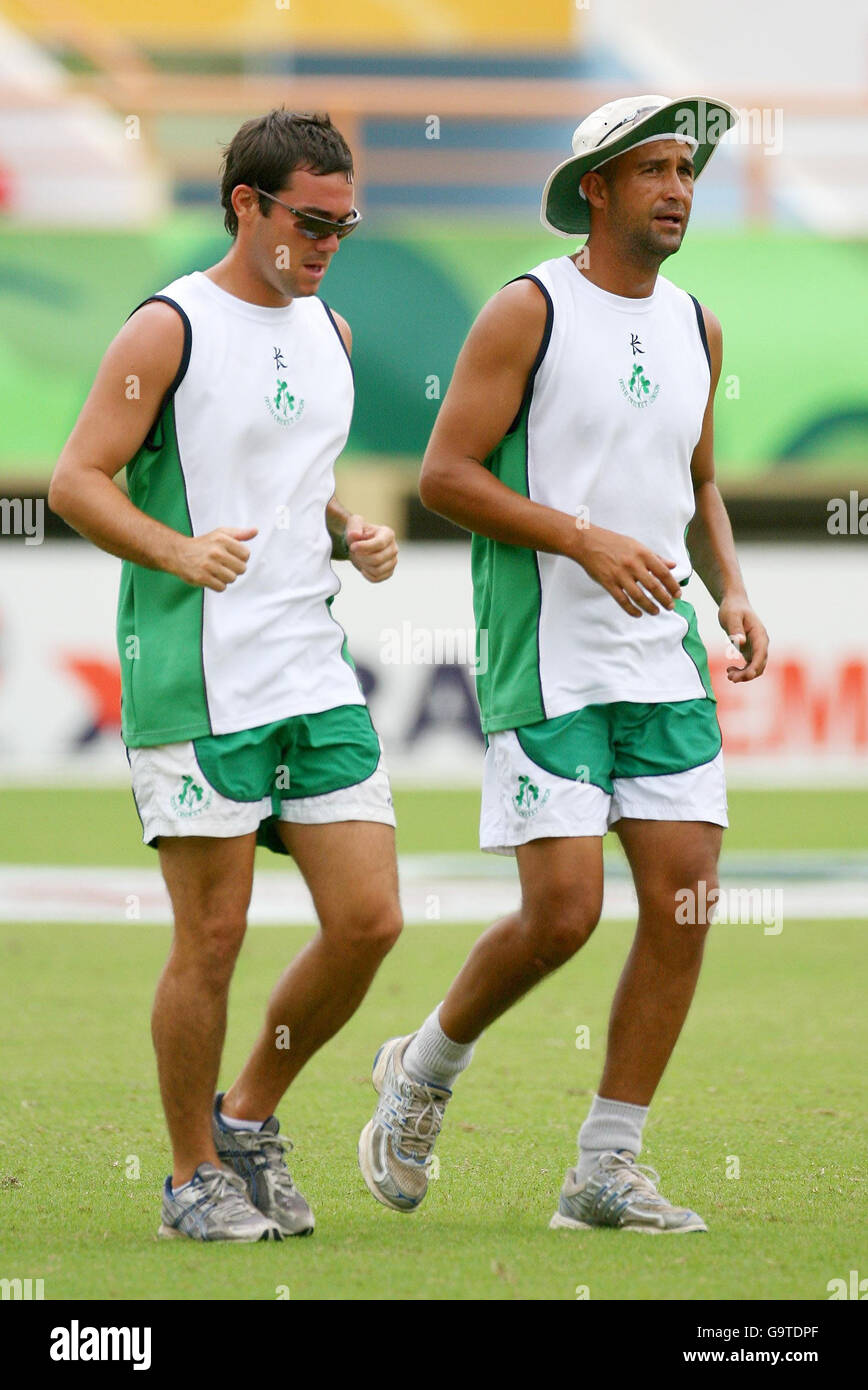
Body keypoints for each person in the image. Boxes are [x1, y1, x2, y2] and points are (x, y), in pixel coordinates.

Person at [359, 95, 769, 1233]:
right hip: (548, 657)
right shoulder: (525, 310)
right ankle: (423, 1072)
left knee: (685, 902)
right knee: (561, 914)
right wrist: (582, 538)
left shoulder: (697, 323)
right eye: (653, 169)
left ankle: (604, 1166)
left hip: (666, 656)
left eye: (686, 169)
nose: (678, 188)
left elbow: (696, 485)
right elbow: (445, 477)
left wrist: (729, 583)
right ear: (595, 186)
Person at [49, 110, 402, 1242]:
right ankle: (190, 1177)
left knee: (370, 920)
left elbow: (291, 478)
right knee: (211, 938)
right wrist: (177, 550)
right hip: (195, 684)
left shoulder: (332, 331)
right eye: (312, 220)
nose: (329, 242)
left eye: (345, 224)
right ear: (245, 204)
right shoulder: (168, 327)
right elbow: (77, 480)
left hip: (312, 669)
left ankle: (247, 1115)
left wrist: (349, 527)